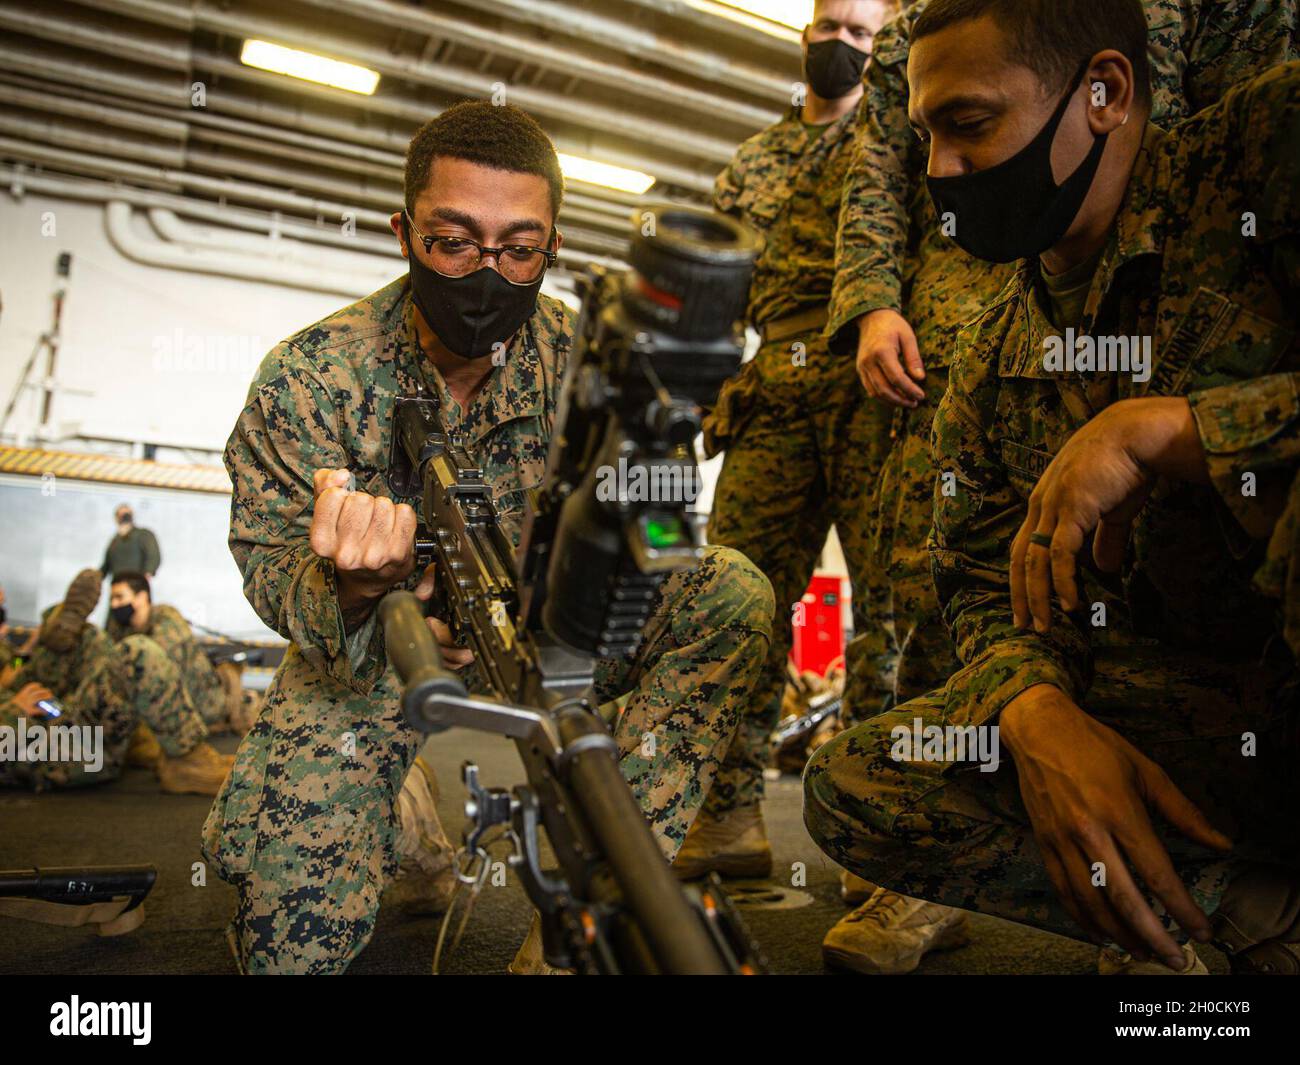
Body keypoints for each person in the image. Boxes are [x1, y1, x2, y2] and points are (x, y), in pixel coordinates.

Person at [202, 100, 774, 975]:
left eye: (519, 248)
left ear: (550, 245)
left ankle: (585, 913)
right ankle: (397, 810)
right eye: (454, 241)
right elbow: (272, 567)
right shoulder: (312, 374)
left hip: (555, 628)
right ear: (404, 233)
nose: (488, 272)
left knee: (731, 588)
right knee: (289, 951)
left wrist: (637, 508)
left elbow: (660, 523)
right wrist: (354, 588)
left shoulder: (587, 353)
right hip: (379, 656)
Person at [806, 0, 1300, 975]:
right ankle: (1239, 913)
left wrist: (1184, 432)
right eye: (924, 135)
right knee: (864, 775)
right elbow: (982, 584)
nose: (939, 170)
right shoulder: (992, 340)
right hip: (1203, 711)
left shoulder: (1262, 159)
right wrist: (1035, 712)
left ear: (1104, 92)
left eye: (970, 124)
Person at [684, 0, 900, 883]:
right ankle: (729, 811)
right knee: (738, 599)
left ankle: (883, 835)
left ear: (885, 45)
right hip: (772, 393)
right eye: (827, 23)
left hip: (871, 383)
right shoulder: (753, 161)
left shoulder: (896, 142)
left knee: (885, 613)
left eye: (860, 32)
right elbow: (717, 294)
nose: (838, 42)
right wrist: (696, 396)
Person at [2, 568, 234, 794]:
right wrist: (14, 710)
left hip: (53, 718)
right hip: (39, 747)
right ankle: (185, 761)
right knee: (137, 655)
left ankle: (57, 639)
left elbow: (13, 671)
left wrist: (22, 657)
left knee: (89, 638)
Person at [107, 571, 252, 737]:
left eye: (119, 597)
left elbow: (152, 661)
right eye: (112, 599)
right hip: (170, 710)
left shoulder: (167, 619)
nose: (114, 604)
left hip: (204, 707)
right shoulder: (123, 628)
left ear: (141, 597)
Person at [101, 503, 160, 579]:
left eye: (127, 515)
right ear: (116, 518)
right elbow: (106, 565)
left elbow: (153, 556)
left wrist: (145, 577)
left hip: (136, 583)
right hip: (117, 583)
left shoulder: (143, 534)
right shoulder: (115, 541)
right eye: (122, 515)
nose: (125, 518)